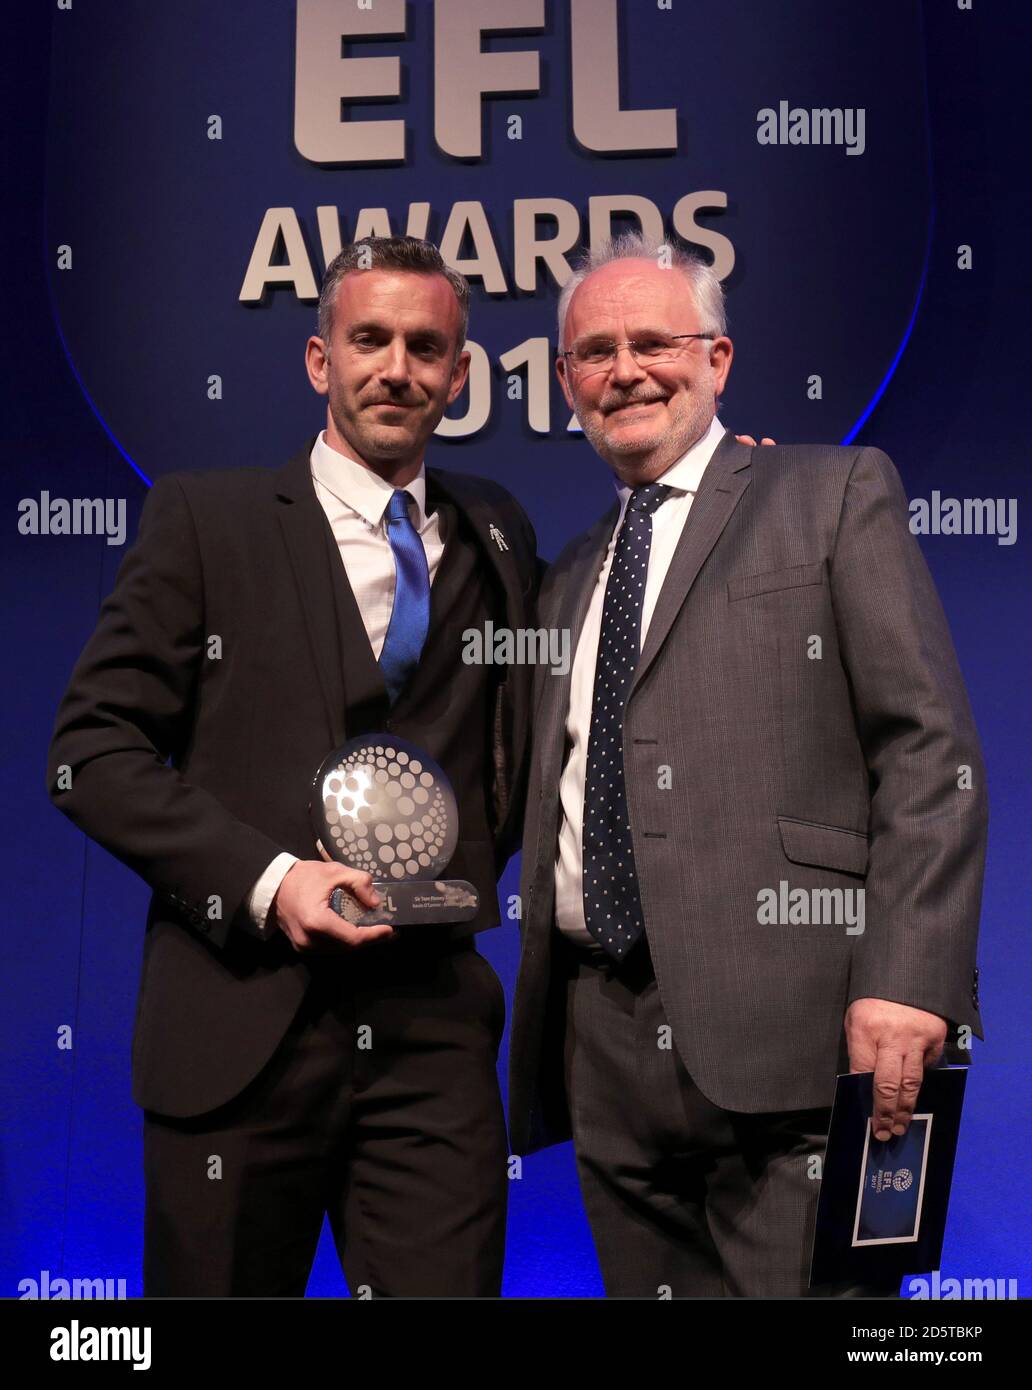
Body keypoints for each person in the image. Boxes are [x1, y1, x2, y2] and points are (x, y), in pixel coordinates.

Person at [47, 235, 540, 1297]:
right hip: (237, 1022)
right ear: (321, 360)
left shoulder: (497, 530)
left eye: (425, 346)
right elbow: (91, 752)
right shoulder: (205, 521)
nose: (395, 367)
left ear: (461, 375)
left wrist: (736, 501)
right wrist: (271, 882)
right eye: (369, 339)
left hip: (430, 1042)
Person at [507, 233, 987, 1297]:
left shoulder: (830, 491)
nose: (624, 369)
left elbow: (929, 751)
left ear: (717, 360)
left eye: (654, 341)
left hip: (802, 1038)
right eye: (594, 352)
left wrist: (911, 982)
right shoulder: (571, 574)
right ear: (566, 385)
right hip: (605, 1045)